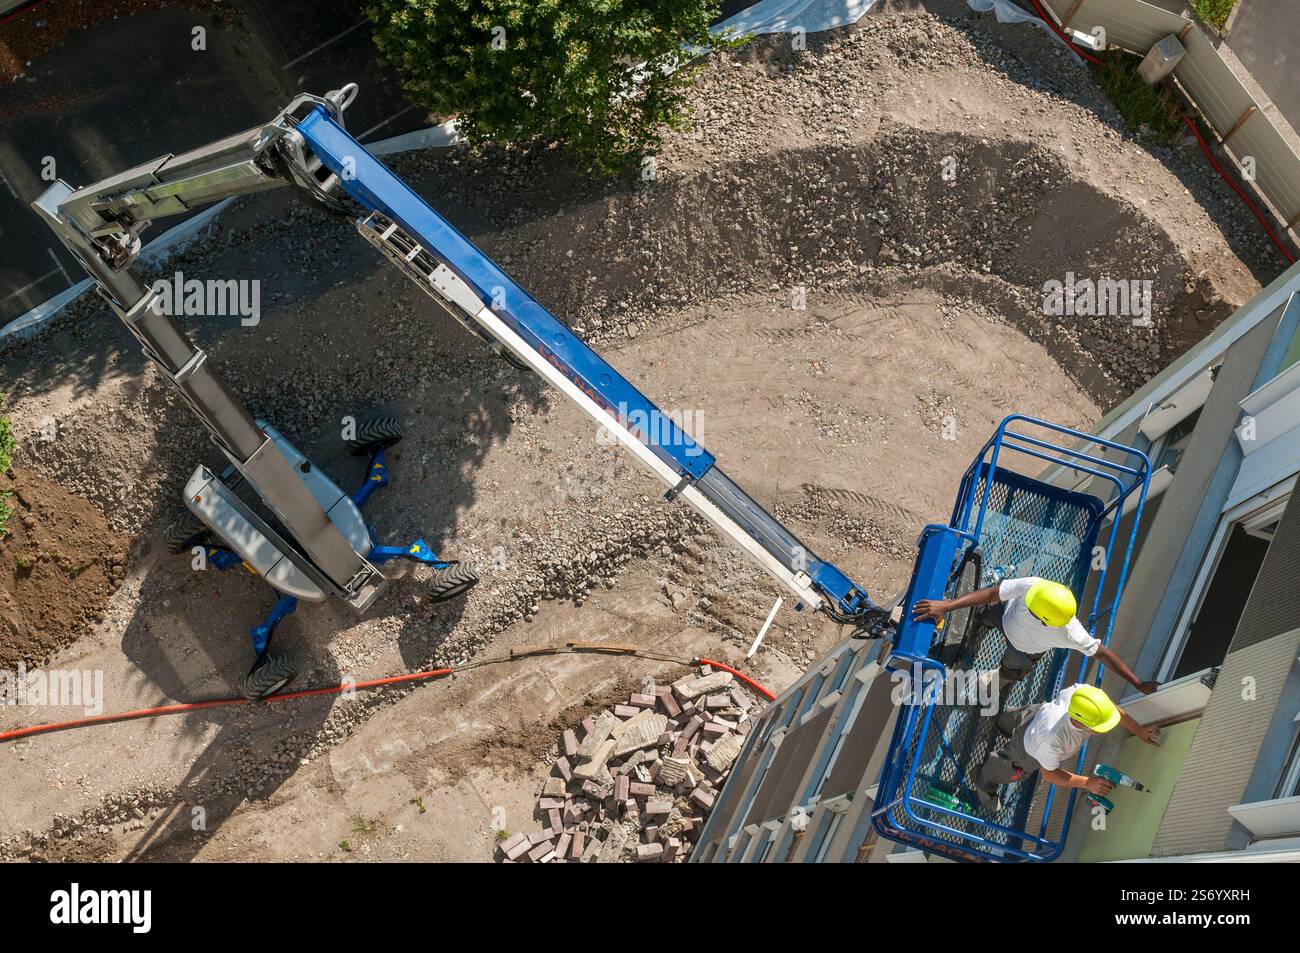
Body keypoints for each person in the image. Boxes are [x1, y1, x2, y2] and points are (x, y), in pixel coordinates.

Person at [912, 576, 1158, 697]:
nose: (1028, 603)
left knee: (1012, 669)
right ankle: (981, 622)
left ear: (1044, 620)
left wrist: (1137, 684)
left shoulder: (1071, 633)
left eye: (1030, 607)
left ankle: (999, 681)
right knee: (983, 610)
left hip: (1023, 649)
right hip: (1003, 617)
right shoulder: (1036, 586)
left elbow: (1103, 654)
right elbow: (991, 594)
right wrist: (947, 605)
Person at [974, 682, 1159, 814]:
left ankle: (998, 722)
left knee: (1017, 717)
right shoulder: (1053, 741)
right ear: (1080, 722)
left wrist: (1139, 729)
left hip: (1038, 714)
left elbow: (1111, 709)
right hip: (1026, 752)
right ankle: (981, 780)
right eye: (1099, 727)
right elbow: (1050, 774)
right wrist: (1087, 782)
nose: (1104, 729)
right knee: (1003, 768)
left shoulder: (1084, 696)